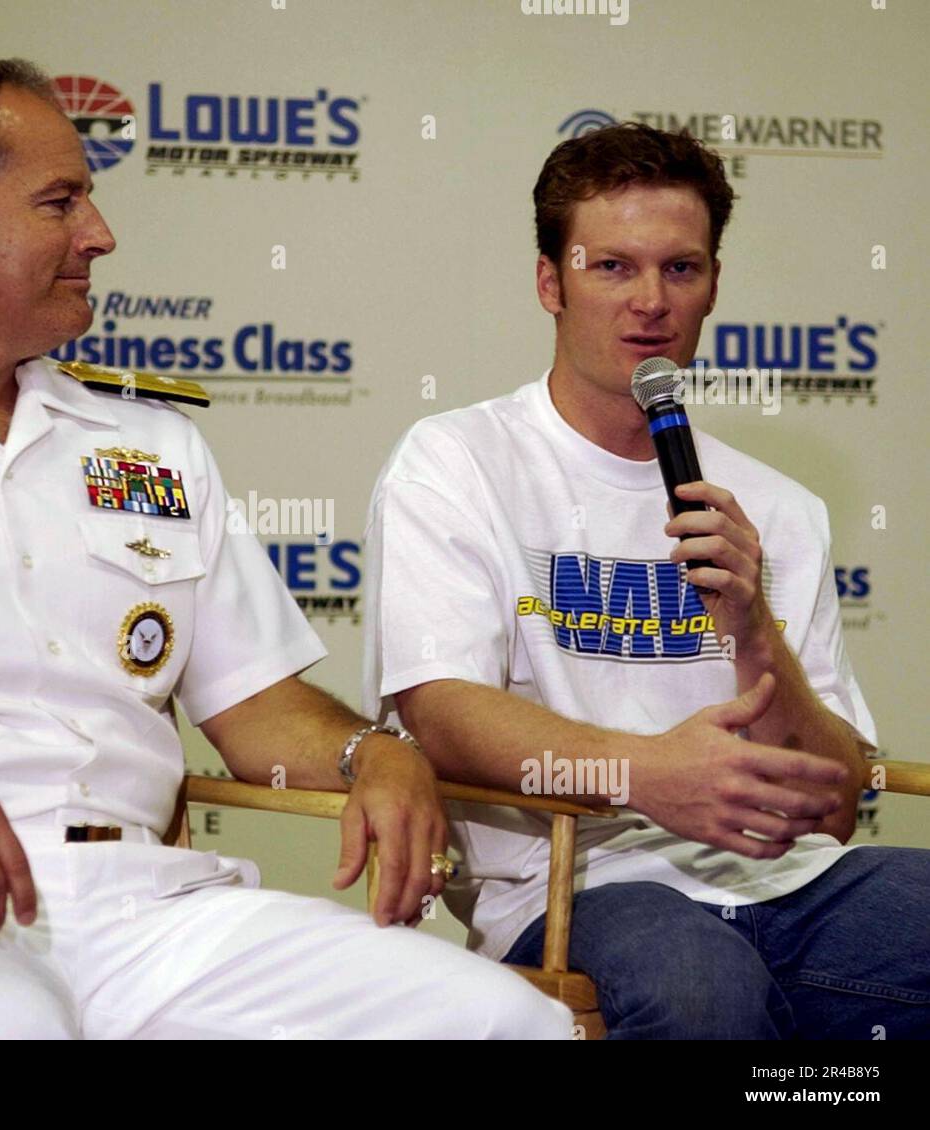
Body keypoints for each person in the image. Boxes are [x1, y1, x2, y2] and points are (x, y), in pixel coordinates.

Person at [0, 57, 569, 1040]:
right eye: (60, 200)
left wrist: (371, 750)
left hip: (152, 910)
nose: (100, 233)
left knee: (505, 1020)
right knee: (2, 1029)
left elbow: (258, 709)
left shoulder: (147, 440)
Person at [363, 122, 930, 1039]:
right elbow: (441, 714)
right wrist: (649, 775)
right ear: (551, 282)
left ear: (713, 286)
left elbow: (832, 797)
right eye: (612, 267)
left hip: (782, 882)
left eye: (681, 269)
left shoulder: (779, 508)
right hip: (576, 883)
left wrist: (752, 629)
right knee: (702, 991)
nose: (650, 304)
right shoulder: (458, 462)